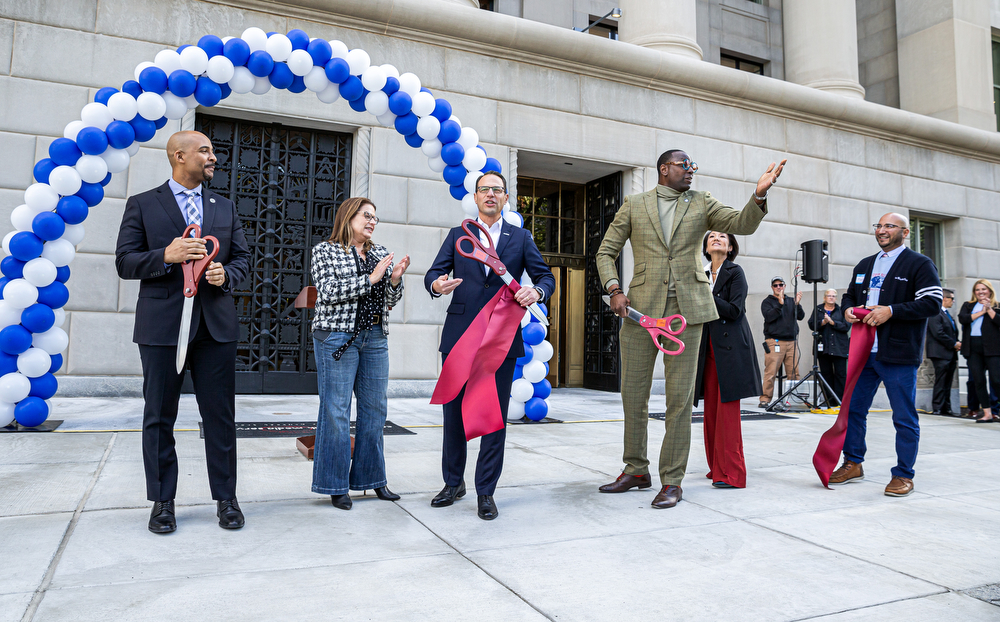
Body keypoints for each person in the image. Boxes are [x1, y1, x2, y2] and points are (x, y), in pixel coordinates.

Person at [596, 149, 786, 509]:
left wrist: (759, 194)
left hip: (687, 313)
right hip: (639, 312)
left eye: (693, 166)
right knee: (632, 396)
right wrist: (614, 289)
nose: (691, 171)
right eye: (685, 166)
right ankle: (636, 468)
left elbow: (741, 223)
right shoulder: (635, 205)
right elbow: (606, 252)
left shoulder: (702, 202)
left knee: (679, 402)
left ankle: (672, 480)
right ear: (664, 169)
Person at [115, 131, 251, 533]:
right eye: (205, 151)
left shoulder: (223, 207)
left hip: (215, 327)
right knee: (159, 415)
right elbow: (125, 262)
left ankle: (226, 499)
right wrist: (165, 256)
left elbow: (244, 258)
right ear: (179, 156)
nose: (213, 157)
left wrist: (226, 274)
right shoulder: (142, 205)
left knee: (221, 417)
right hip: (162, 327)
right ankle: (162, 502)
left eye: (212, 149)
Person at [424, 171, 554, 520]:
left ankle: (485, 491)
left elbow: (546, 277)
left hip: (500, 340)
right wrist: (437, 284)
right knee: (453, 415)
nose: (491, 195)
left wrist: (537, 292)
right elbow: (432, 274)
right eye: (485, 190)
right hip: (460, 337)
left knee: (493, 416)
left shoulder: (521, 237)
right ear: (476, 197)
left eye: (498, 190)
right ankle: (453, 483)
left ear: (506, 198)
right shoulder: (458, 235)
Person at [829, 213, 942, 497]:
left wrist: (891, 311)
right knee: (853, 409)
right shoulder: (866, 264)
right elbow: (850, 296)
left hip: (898, 353)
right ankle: (853, 463)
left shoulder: (919, 263)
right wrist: (847, 309)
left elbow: (932, 303)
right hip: (864, 351)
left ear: (905, 233)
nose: (881, 230)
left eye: (889, 226)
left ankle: (904, 474)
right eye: (878, 226)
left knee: (903, 416)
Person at [309, 197, 410, 510]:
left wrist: (394, 279)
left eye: (375, 218)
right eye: (366, 216)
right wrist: (371, 278)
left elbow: (391, 299)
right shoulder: (325, 250)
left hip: (375, 336)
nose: (372, 222)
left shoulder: (379, 252)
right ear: (348, 216)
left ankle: (371, 479)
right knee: (336, 411)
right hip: (336, 337)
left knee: (375, 409)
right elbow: (327, 291)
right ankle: (335, 484)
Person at [693, 231, 761, 489]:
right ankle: (716, 467)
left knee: (728, 413)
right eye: (711, 236)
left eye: (723, 236)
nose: (717, 238)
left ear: (731, 246)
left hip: (731, 350)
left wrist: (704, 295)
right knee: (710, 411)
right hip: (707, 348)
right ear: (706, 246)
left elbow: (735, 310)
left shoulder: (735, 272)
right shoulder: (701, 273)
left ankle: (731, 473)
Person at [957, 280, 1000, 423]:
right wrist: (981, 311)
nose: (980, 292)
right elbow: (963, 319)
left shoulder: (997, 306)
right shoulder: (968, 305)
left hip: (992, 347)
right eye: (977, 289)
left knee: (996, 380)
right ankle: (987, 413)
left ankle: (996, 410)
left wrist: (989, 309)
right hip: (973, 347)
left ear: (990, 290)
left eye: (983, 289)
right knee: (978, 381)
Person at [759, 276, 804, 408]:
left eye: (780, 285)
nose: (778, 287)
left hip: (791, 342)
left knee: (794, 373)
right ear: (772, 287)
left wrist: (797, 304)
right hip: (775, 342)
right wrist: (779, 304)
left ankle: (793, 399)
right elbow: (769, 317)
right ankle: (765, 399)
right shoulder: (767, 302)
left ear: (784, 286)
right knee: (770, 372)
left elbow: (800, 316)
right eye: (775, 285)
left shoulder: (791, 300)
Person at [808, 288, 849, 401]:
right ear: (824, 297)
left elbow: (846, 326)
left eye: (834, 296)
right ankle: (829, 400)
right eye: (829, 295)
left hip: (839, 348)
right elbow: (811, 324)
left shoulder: (841, 310)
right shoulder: (818, 309)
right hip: (823, 347)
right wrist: (822, 322)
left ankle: (840, 400)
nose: (831, 297)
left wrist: (832, 323)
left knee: (840, 375)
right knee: (826, 375)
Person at [925, 288, 960, 416]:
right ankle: (937, 407)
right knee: (941, 381)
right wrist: (954, 344)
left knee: (948, 382)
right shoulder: (936, 313)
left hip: (949, 353)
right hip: (940, 353)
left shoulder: (947, 314)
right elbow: (938, 333)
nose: (953, 301)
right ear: (944, 299)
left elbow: (952, 332)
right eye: (951, 298)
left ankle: (947, 407)